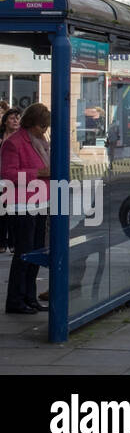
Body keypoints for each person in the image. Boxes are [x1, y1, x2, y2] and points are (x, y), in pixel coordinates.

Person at [3, 103, 51, 314]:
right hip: (22, 204)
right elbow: (9, 175)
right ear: (31, 123)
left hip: (41, 202)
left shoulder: (40, 141)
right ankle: (15, 299)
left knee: (37, 252)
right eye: (42, 126)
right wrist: (40, 172)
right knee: (24, 253)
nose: (44, 131)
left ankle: (30, 296)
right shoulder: (14, 143)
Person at [0, 108, 20, 253]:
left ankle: (13, 242)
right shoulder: (1, 136)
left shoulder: (21, 137)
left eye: (18, 118)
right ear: (5, 120)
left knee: (12, 210)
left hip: (14, 179)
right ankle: (1, 242)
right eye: (12, 118)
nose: (15, 121)